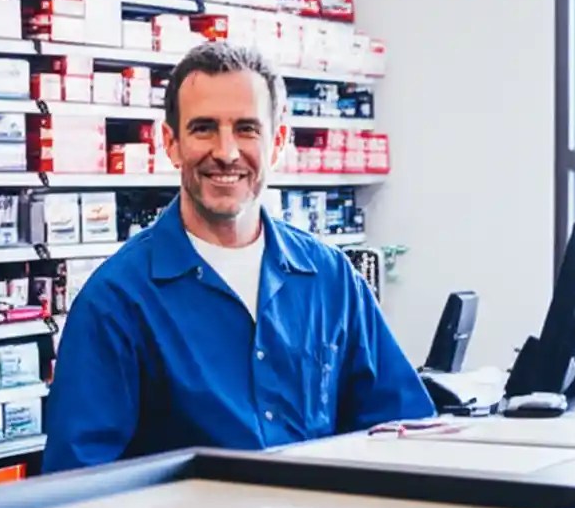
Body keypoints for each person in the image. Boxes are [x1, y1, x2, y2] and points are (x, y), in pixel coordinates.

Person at [41, 41, 435, 474]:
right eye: (204, 128)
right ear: (170, 143)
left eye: (247, 128)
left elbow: (399, 428)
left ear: (277, 141)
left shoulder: (331, 279)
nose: (226, 152)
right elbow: (77, 482)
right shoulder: (116, 302)